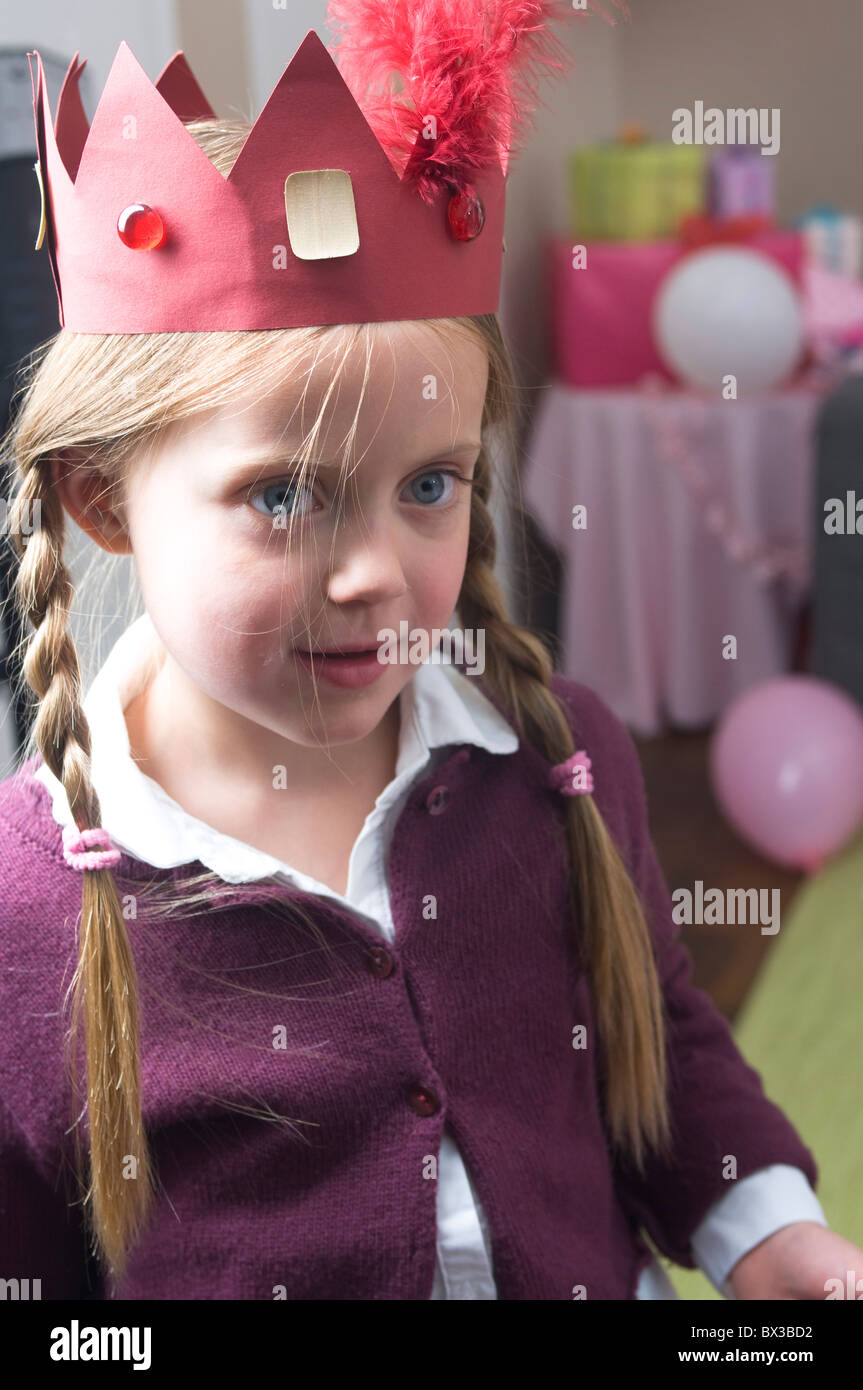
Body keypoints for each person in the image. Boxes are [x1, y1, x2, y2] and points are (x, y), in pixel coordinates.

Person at [1, 5, 860, 1301]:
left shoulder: (556, 761)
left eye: (430, 486)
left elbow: (662, 1042)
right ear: (103, 499)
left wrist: (771, 1229)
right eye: (284, 496)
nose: (373, 576)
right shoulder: (30, 912)